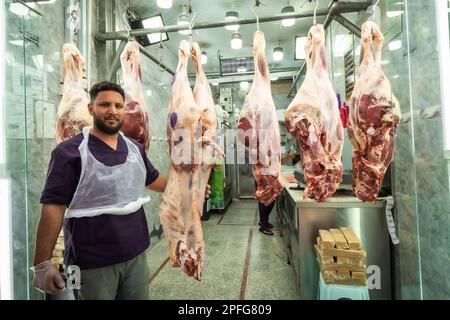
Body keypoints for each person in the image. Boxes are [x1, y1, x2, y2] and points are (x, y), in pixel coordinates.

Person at [32, 81, 210, 300]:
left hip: (135, 253)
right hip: (91, 260)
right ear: (91, 109)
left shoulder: (134, 148)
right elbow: (52, 208)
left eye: (118, 106)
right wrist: (42, 262)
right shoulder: (68, 152)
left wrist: (190, 189)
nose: (112, 111)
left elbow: (153, 181)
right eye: (104, 104)